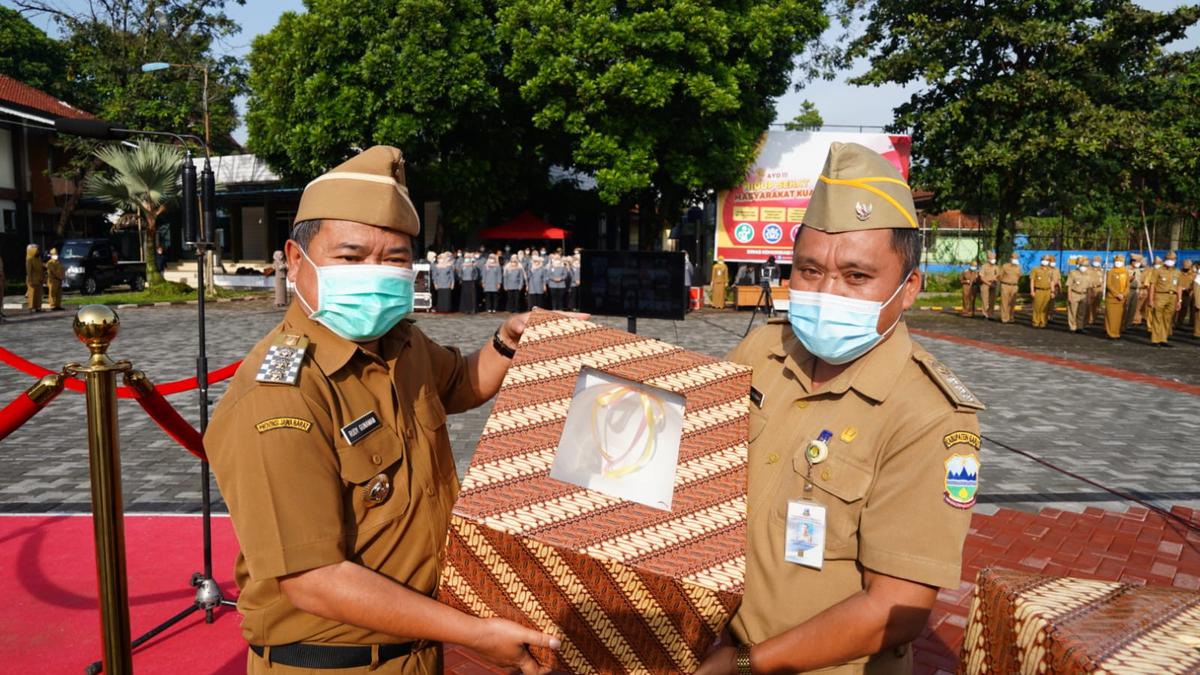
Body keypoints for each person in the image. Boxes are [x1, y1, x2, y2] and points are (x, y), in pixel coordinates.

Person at [204, 146, 559, 675]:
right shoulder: (280, 395)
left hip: (423, 645)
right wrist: (474, 634)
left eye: (393, 259)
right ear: (296, 260)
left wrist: (508, 341)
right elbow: (314, 580)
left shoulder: (400, 344)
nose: (374, 273)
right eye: (350, 258)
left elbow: (462, 382)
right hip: (334, 664)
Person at [698, 142, 982, 675]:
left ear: (908, 289)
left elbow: (895, 610)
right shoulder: (763, 351)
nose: (827, 291)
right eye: (809, 270)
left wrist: (746, 664)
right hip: (717, 644)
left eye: (856, 276)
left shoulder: (928, 415)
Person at [1144, 252, 1183, 347]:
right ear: (1165, 260)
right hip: (1160, 295)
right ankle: (1156, 340)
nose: (1171, 261)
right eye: (1169, 259)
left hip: (1173, 297)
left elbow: (1179, 287)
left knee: (1167, 319)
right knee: (1157, 318)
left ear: (1175, 260)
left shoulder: (1178, 272)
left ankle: (1163, 339)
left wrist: (1179, 300)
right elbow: (1152, 285)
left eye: (1173, 259)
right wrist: (1150, 299)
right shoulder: (1158, 270)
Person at [1104, 253, 1129, 339]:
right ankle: (1111, 333)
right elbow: (1108, 284)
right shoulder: (1111, 272)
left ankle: (1117, 333)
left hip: (1121, 299)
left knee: (1119, 318)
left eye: (1120, 261)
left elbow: (1127, 286)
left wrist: (1123, 294)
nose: (1118, 263)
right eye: (1116, 261)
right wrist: (1117, 294)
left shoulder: (1125, 272)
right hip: (1112, 298)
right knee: (1111, 317)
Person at [1028, 255, 1054, 328]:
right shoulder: (1035, 269)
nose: (1046, 261)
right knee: (1037, 307)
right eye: (1044, 260)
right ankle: (1035, 322)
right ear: (1041, 260)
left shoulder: (1050, 270)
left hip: (1047, 291)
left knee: (1045, 308)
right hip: (1039, 290)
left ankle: (1043, 322)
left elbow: (1051, 281)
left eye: (1047, 260)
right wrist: (1032, 291)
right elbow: (1032, 280)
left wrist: (1052, 291)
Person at [1066, 256, 1090, 333]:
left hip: (1084, 295)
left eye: (1086, 265)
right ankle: (1072, 327)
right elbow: (1069, 286)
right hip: (1074, 294)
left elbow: (1089, 287)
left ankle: (1080, 327)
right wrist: (1069, 296)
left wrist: (1088, 297)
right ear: (1079, 265)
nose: (1085, 267)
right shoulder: (1073, 273)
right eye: (1083, 265)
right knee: (1073, 311)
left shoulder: (1088, 274)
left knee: (1081, 312)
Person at [1124, 253, 1145, 329]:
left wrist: (1140, 291)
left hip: (1135, 291)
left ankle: (1128, 324)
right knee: (1126, 308)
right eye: (1137, 262)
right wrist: (1129, 279)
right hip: (1128, 290)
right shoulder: (1126, 269)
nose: (1138, 263)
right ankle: (1122, 324)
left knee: (1132, 309)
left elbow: (1139, 281)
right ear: (1132, 261)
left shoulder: (1137, 270)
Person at [998, 253, 1020, 323]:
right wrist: (1005, 281)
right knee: (1004, 302)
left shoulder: (1019, 267)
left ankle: (1011, 317)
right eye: (1014, 257)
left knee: (1012, 303)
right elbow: (1000, 276)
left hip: (1014, 286)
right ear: (1010, 258)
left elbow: (1019, 276)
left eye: (1016, 258)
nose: (1015, 259)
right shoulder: (1005, 266)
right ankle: (1004, 318)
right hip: (1005, 285)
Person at [978, 251, 999, 319]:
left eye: (994, 258)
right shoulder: (984, 266)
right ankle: (985, 314)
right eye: (992, 258)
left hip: (993, 284)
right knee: (985, 300)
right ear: (988, 259)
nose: (993, 260)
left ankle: (990, 314)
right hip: (985, 284)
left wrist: (995, 279)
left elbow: (998, 275)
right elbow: (981, 277)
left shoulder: (996, 267)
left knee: (992, 300)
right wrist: (989, 283)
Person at [25, 244, 44, 312]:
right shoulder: (29, 259)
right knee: (32, 294)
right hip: (33, 279)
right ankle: (31, 307)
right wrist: (30, 280)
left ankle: (38, 307)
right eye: (37, 250)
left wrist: (42, 277)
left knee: (38, 294)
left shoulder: (38, 258)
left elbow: (41, 268)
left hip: (39, 279)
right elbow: (29, 271)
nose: (38, 251)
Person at [1178, 259, 1195, 331]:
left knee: (1190, 308)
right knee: (1180, 309)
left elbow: (1194, 283)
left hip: (1190, 293)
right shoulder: (1179, 273)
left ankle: (1191, 322)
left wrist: (1190, 288)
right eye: (1185, 265)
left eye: (1188, 266)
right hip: (1180, 292)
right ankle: (1177, 323)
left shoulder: (1193, 274)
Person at [1086, 256, 1103, 325]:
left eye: (1098, 261)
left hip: (1099, 289)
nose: (1097, 262)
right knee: (1089, 304)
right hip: (1091, 288)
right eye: (1095, 261)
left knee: (1096, 305)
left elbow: (1102, 281)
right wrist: (1091, 287)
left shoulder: (1101, 270)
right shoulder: (1088, 269)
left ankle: (1094, 319)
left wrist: (1102, 290)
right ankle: (1089, 319)